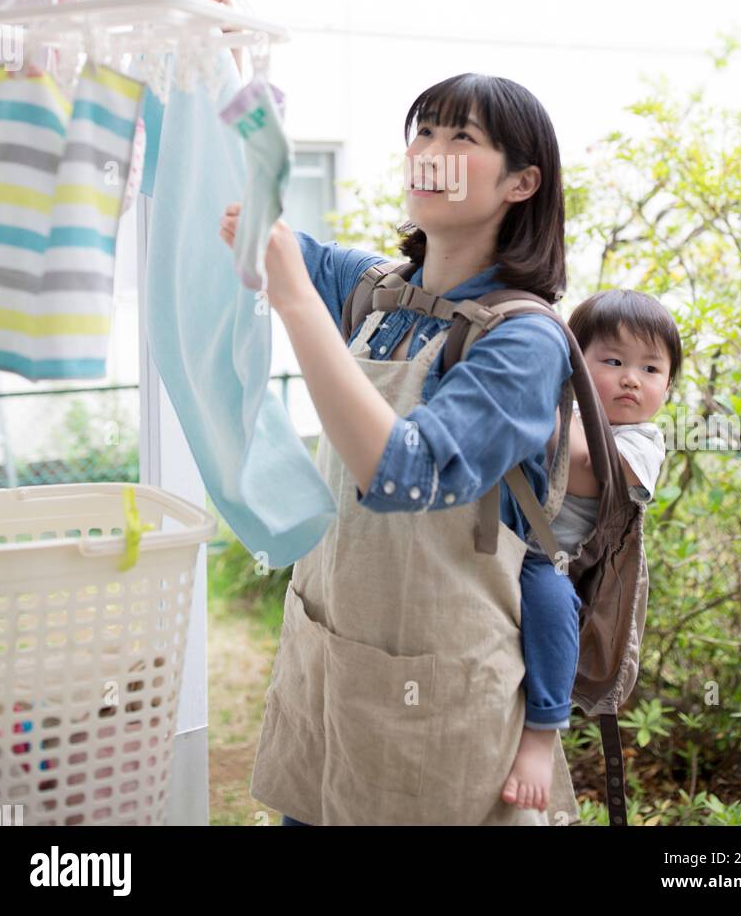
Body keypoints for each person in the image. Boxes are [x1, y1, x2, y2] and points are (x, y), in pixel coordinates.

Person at [219, 68, 581, 826]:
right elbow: (250, 216)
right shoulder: (373, 291)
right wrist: (222, 68)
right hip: (332, 672)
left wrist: (291, 299)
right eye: (422, 130)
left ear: (521, 183)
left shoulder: (523, 340)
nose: (429, 151)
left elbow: (404, 473)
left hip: (442, 708)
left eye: (461, 137)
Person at [505, 289, 682, 809]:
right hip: (496, 539)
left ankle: (541, 732)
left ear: (667, 386)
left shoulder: (641, 440)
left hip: (547, 559)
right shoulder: (560, 409)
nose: (632, 378)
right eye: (612, 360)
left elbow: (587, 466)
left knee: (554, 602)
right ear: (573, 364)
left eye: (651, 368)